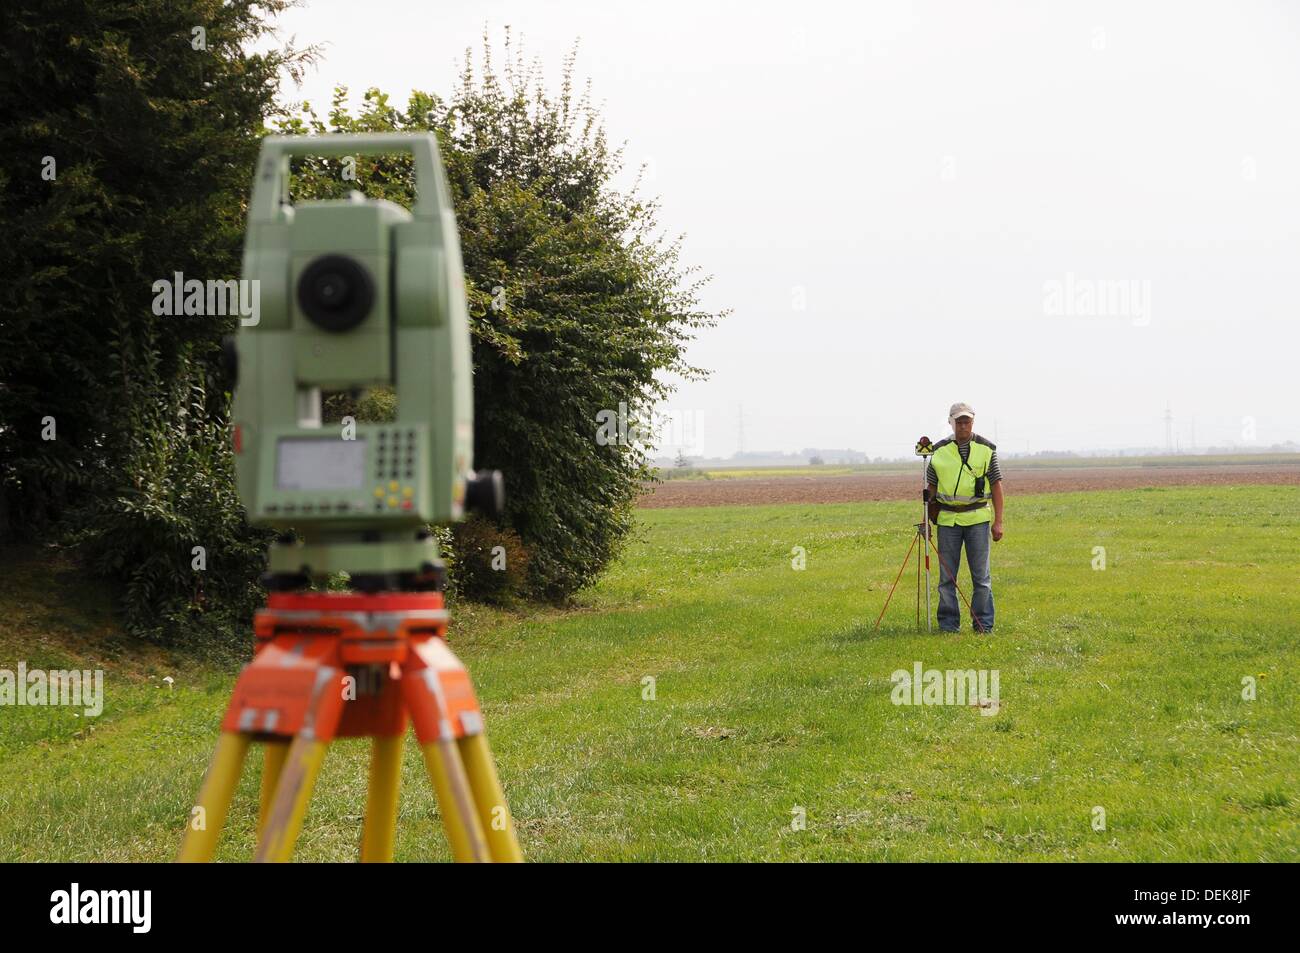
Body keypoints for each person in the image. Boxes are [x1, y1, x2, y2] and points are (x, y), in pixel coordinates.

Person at [925, 403, 1004, 633]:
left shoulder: (987, 449)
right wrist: (927, 518)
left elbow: (997, 487)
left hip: (978, 519)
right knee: (946, 578)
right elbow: (930, 489)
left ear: (973, 422)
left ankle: (983, 625)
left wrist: (998, 522)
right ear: (951, 423)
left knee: (981, 578)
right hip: (948, 521)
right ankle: (948, 626)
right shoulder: (938, 451)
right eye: (958, 422)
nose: (963, 426)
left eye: (967, 421)